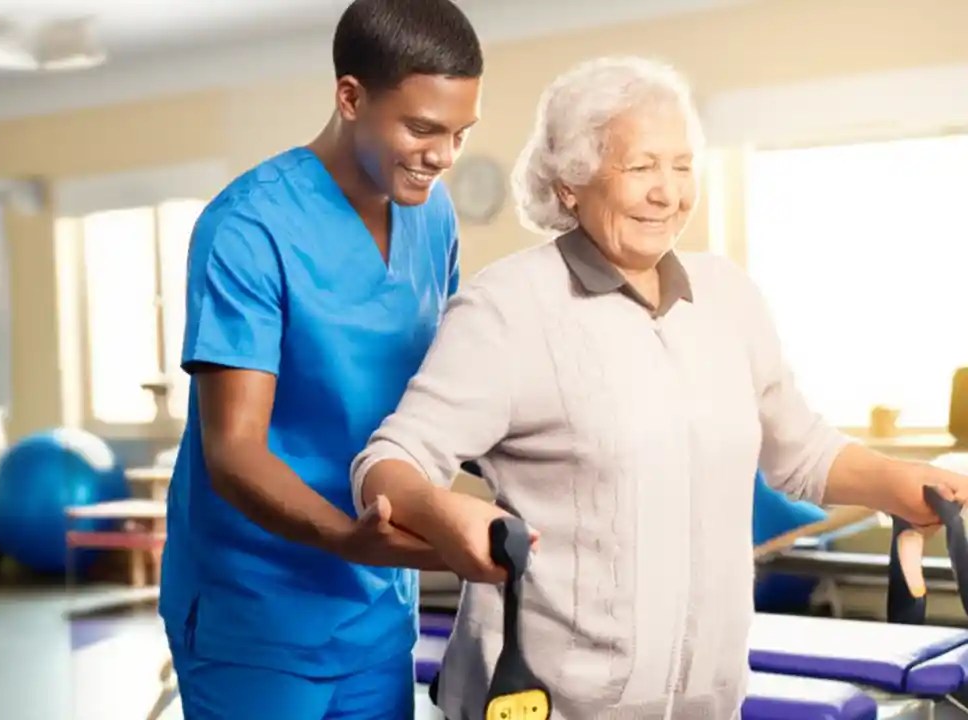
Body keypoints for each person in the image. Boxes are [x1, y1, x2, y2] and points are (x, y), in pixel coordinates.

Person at [349, 55, 968, 719]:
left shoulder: (728, 298)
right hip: (547, 702)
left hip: (708, 700)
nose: (668, 193)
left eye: (681, 166)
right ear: (570, 183)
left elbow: (802, 452)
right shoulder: (510, 308)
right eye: (641, 167)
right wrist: (441, 514)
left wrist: (898, 481)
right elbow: (389, 463)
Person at [157, 0, 484, 717]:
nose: (443, 156)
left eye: (460, 134)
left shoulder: (433, 215)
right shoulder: (248, 227)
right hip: (256, 615)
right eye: (422, 128)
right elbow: (234, 451)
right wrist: (347, 539)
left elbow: (446, 390)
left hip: (374, 610)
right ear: (350, 97)